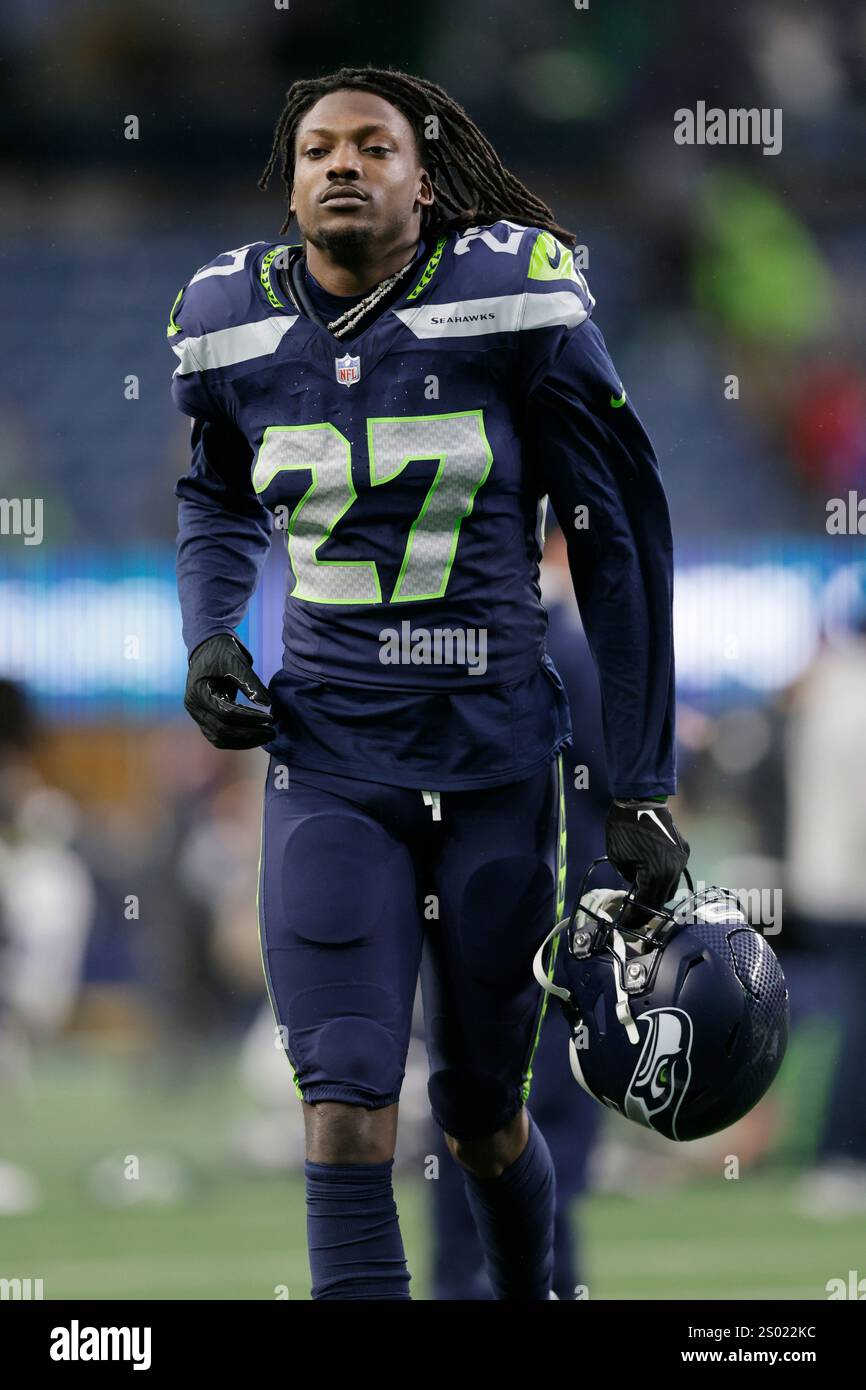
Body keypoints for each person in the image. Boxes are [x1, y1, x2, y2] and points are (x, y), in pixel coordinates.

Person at [170, 65, 688, 1301]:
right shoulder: (227, 317)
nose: (340, 164)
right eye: (316, 149)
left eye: (372, 145)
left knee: (480, 1116)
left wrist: (639, 779)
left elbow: (616, 532)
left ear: (426, 176)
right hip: (331, 767)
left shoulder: (508, 295)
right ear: (291, 182)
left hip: (498, 769)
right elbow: (216, 491)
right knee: (344, 1106)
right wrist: (211, 636)